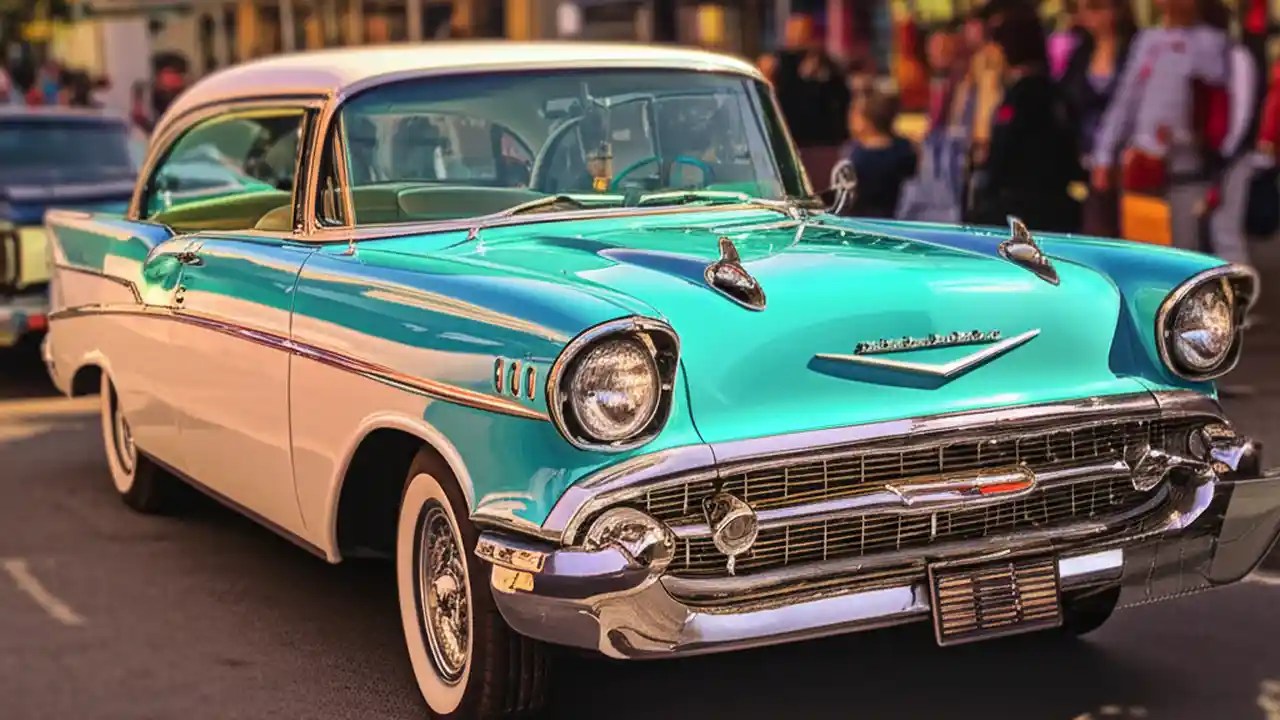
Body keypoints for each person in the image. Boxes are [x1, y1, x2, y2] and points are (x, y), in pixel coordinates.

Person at [1090, 0, 1232, 254]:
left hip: (1190, 172)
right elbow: (1126, 101)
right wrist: (1104, 154)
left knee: (1185, 255)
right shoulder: (1148, 40)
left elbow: (1215, 108)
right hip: (1143, 165)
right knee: (1144, 253)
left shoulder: (1213, 42)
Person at [971, 0, 1084, 232]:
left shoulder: (1023, 96)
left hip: (1021, 214)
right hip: (1054, 209)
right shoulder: (1056, 92)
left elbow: (998, 155)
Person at [1060, 0, 1138, 236]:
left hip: (1129, 161)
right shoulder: (1080, 54)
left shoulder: (1136, 49)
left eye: (1096, 7)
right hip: (1087, 160)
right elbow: (1067, 100)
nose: (1090, 16)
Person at [769, 13, 851, 149]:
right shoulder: (780, 63)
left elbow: (840, 100)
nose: (796, 39)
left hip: (822, 141)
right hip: (791, 138)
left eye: (801, 33)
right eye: (793, 33)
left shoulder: (828, 68)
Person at [839, 92, 918, 218]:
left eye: (854, 115)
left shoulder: (857, 157)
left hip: (861, 222)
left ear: (866, 122)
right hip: (896, 219)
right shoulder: (904, 148)